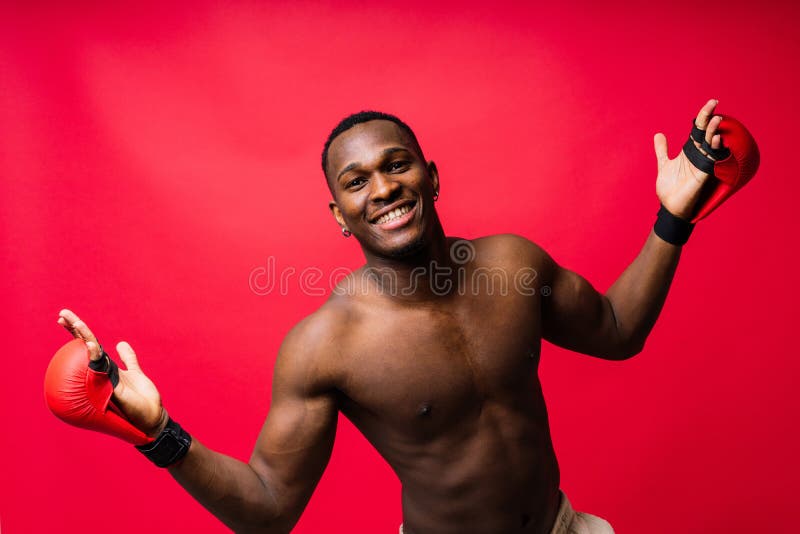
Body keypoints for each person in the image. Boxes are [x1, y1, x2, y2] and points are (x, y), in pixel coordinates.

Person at [57, 99, 727, 533]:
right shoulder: (326, 346)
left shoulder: (513, 266)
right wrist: (159, 434)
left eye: (396, 165)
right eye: (356, 182)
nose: (382, 189)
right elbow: (269, 508)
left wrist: (673, 217)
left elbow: (617, 330)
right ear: (339, 215)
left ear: (431, 177)